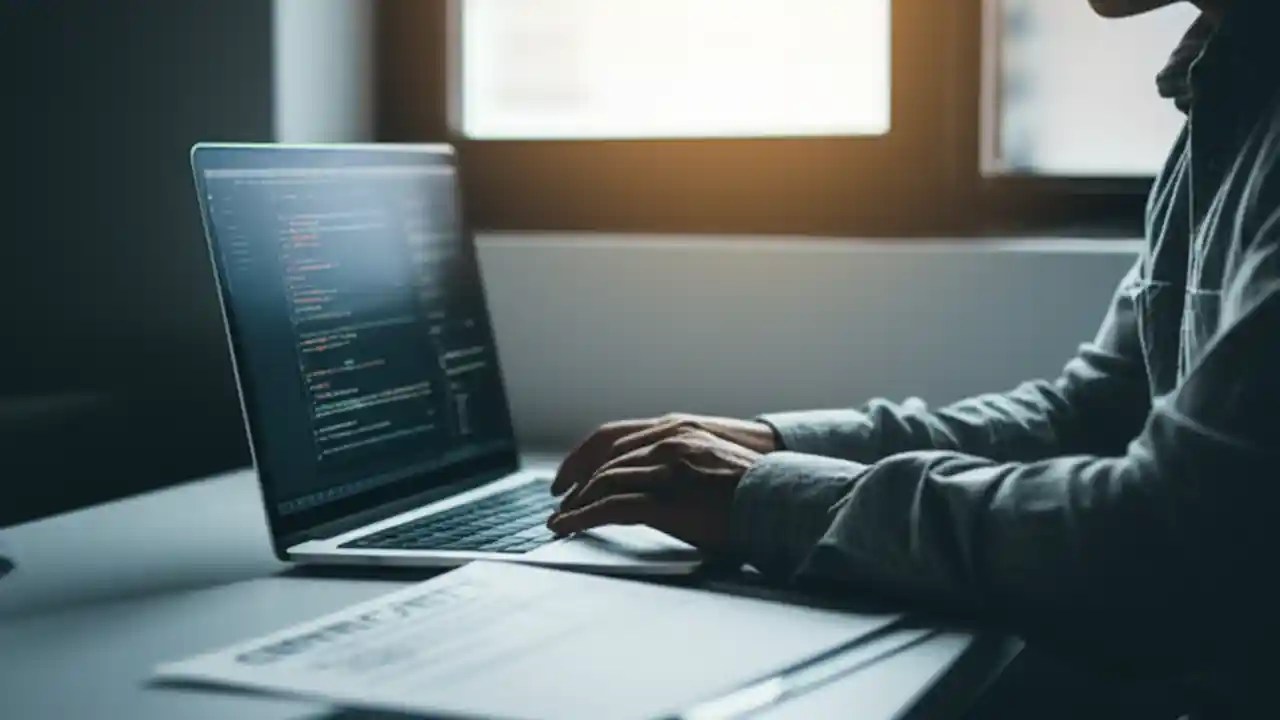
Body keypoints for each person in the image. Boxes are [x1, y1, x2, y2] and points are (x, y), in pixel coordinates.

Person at [547, 0, 1277, 715]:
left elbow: (1168, 539)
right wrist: (776, 446)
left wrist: (767, 495)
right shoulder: (1226, 93)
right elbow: (1089, 416)